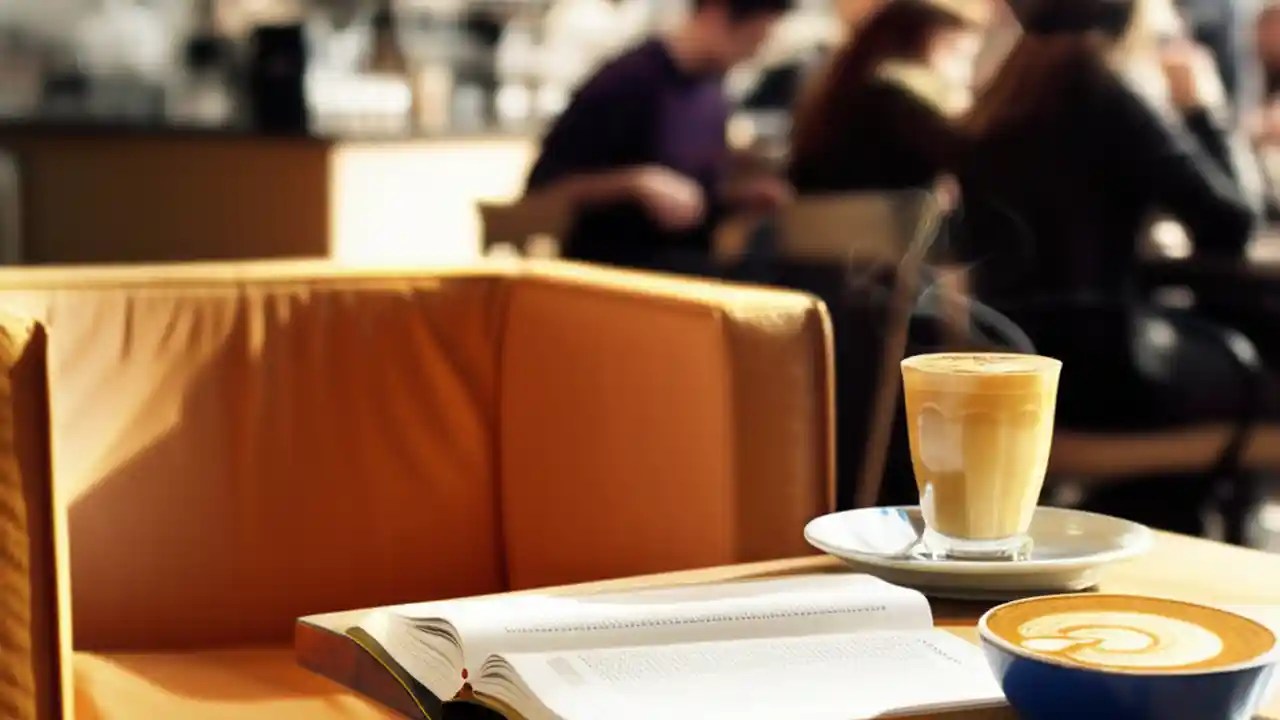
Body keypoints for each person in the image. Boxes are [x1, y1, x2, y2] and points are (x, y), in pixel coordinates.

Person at [960, 0, 1264, 535]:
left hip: (1021, 354)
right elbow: (1230, 223)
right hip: (1109, 367)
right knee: (1258, 373)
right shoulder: (1106, 91)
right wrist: (1202, 108)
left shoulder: (1000, 96)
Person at [523, 0, 793, 275]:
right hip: (614, 270)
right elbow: (544, 188)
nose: (753, 54)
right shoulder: (627, 81)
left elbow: (698, 194)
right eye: (753, 40)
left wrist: (743, 196)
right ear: (715, 15)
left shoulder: (712, 92)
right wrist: (636, 183)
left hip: (688, 262)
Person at [788, 0, 988, 194]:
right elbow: (970, 160)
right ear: (912, 51)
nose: (966, 74)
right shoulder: (893, 102)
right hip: (866, 222)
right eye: (958, 55)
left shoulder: (854, 93)